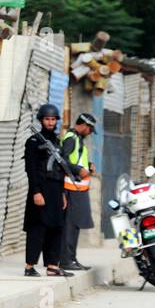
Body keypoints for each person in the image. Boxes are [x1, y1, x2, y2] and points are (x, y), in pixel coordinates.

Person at [23, 103, 70, 277]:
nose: (50, 122)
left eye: (52, 119)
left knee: (56, 228)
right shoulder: (34, 142)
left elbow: (61, 169)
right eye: (47, 119)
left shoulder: (57, 142)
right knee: (38, 228)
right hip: (40, 189)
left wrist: (64, 193)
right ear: (41, 120)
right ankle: (29, 266)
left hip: (56, 190)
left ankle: (52, 266)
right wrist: (36, 191)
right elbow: (31, 169)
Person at [60, 112, 97, 271]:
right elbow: (63, 160)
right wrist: (78, 170)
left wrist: (88, 166)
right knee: (69, 226)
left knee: (75, 226)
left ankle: (72, 259)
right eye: (89, 129)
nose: (90, 133)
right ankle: (66, 261)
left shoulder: (78, 139)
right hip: (70, 188)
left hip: (78, 188)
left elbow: (77, 159)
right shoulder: (70, 138)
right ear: (83, 125)